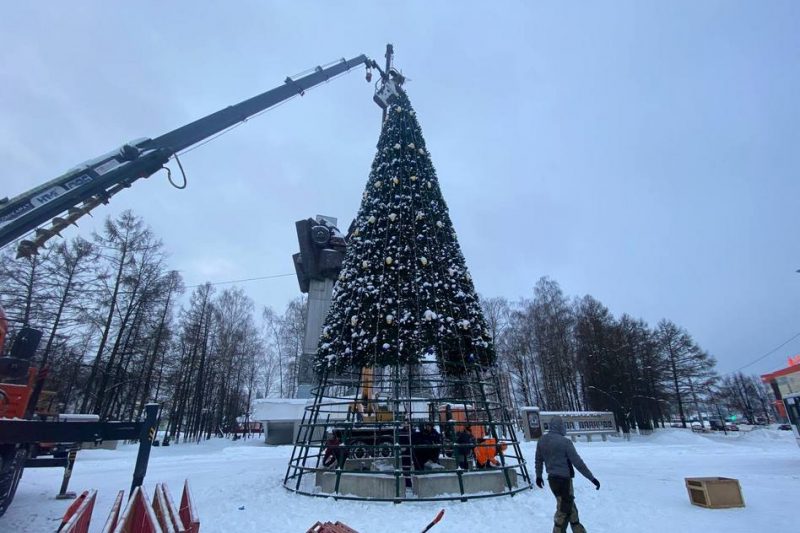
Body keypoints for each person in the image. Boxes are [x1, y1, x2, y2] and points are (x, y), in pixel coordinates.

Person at [535, 416, 600, 533]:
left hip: (552, 480)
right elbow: (578, 463)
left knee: (569, 506)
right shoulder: (565, 442)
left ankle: (579, 530)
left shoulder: (542, 440)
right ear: (560, 426)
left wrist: (538, 476)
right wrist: (592, 478)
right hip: (564, 481)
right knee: (564, 509)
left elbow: (538, 460)